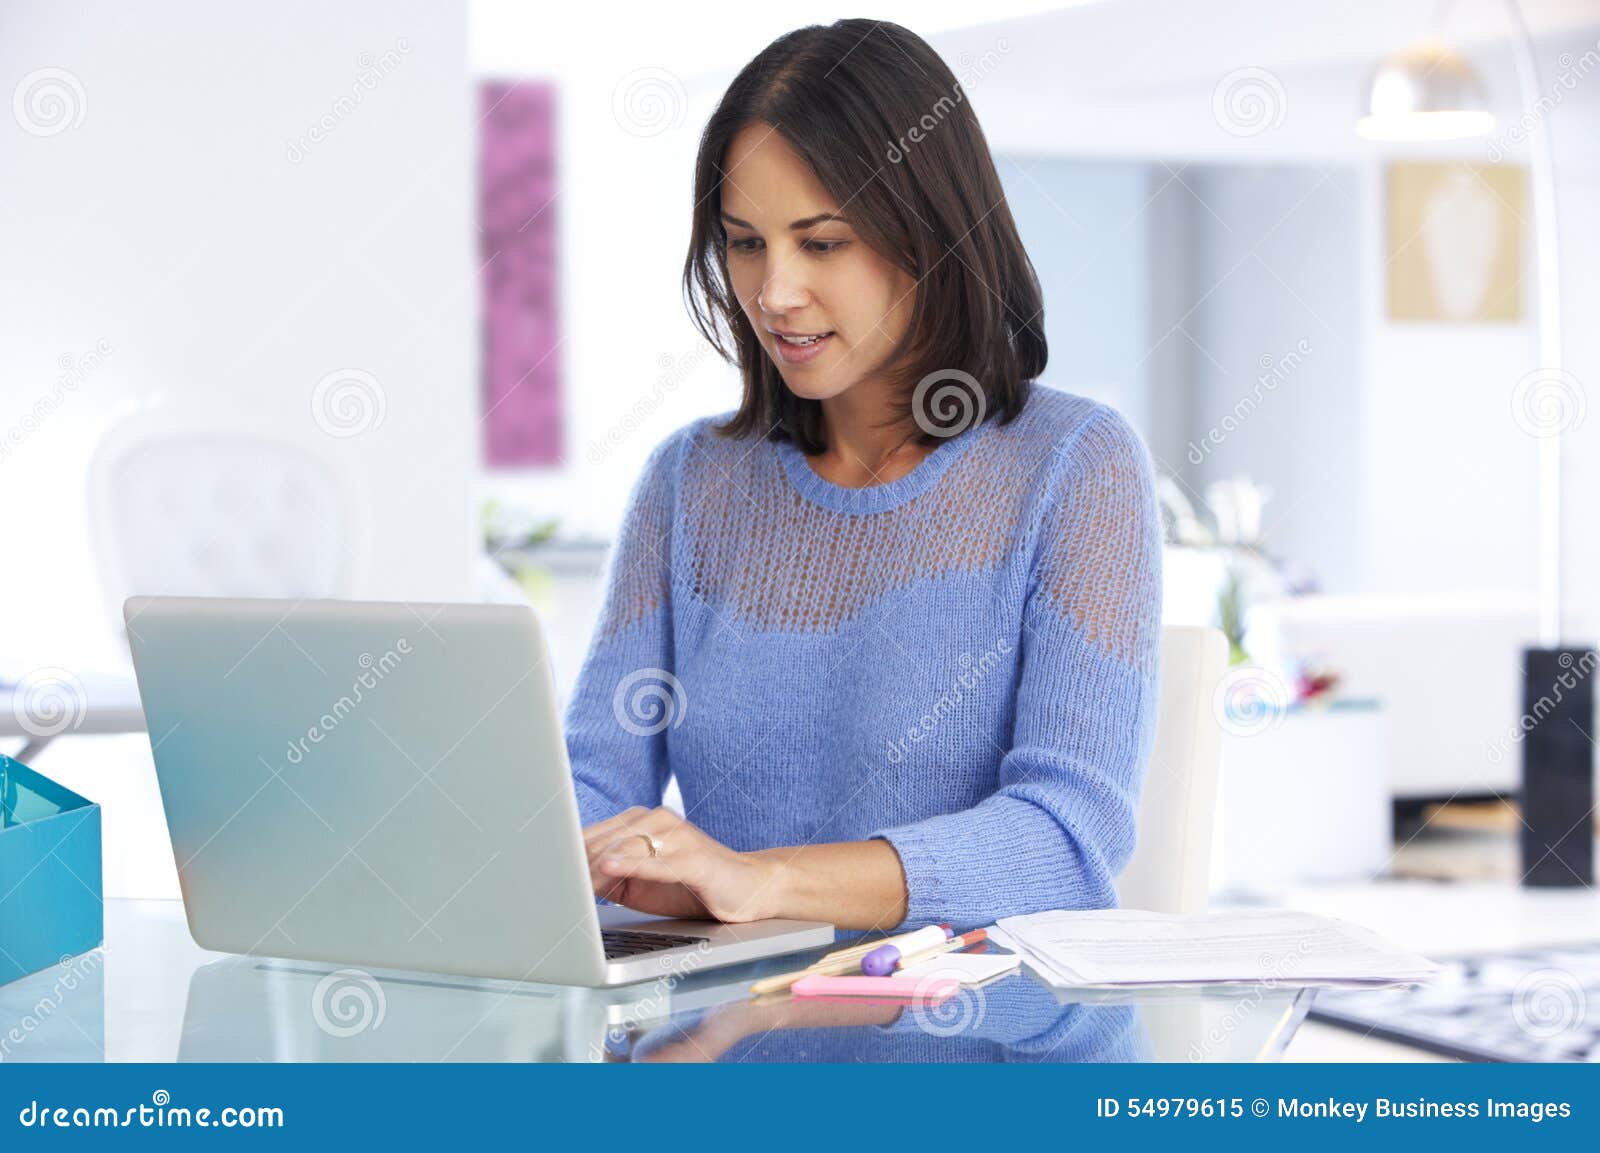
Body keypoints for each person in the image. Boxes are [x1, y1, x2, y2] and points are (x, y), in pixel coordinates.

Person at [565, 19, 1162, 933]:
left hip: (990, 1052)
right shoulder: (690, 482)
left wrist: (762, 881)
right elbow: (595, 779)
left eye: (824, 242)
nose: (773, 292)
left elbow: (1065, 835)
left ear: (930, 232)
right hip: (726, 1045)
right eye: (745, 242)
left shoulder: (1073, 466)